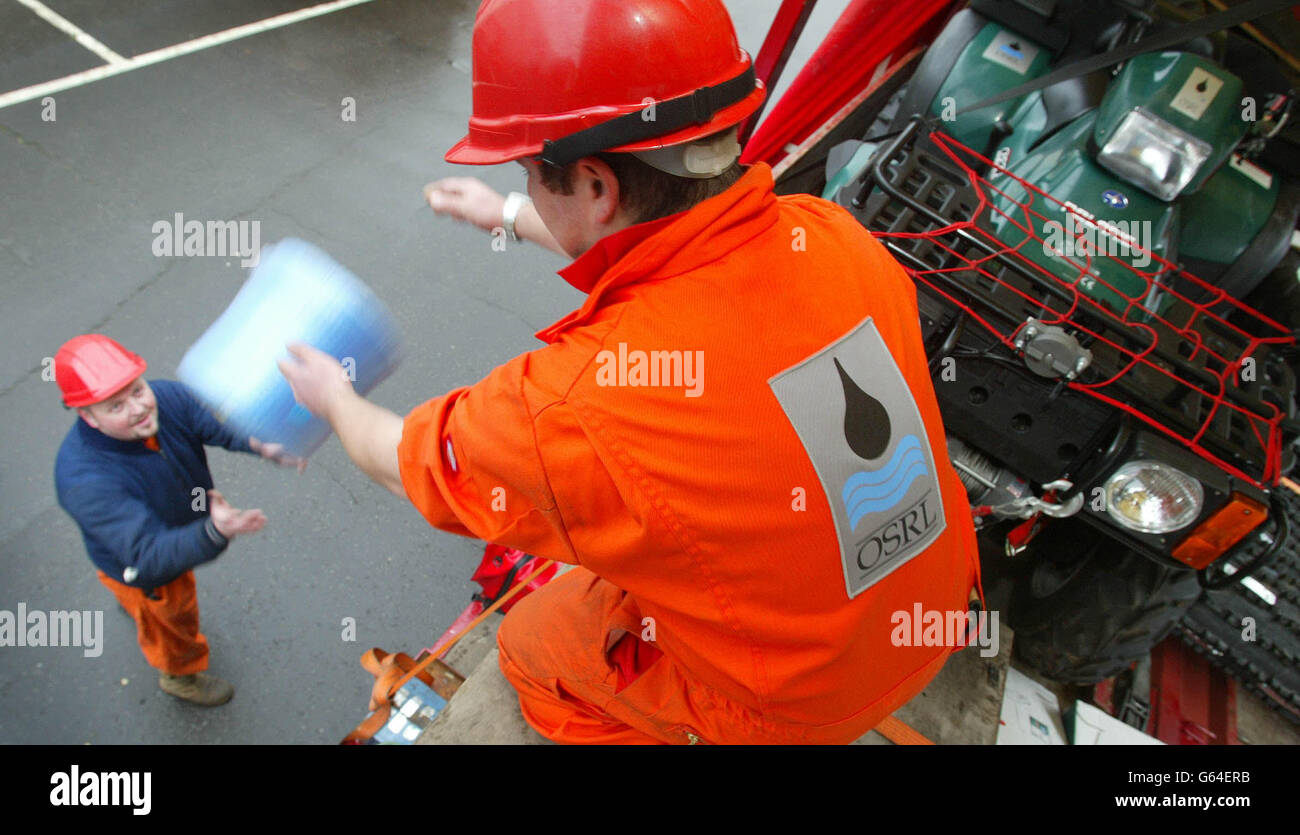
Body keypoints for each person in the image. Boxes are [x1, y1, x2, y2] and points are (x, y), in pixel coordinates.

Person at [280, 0, 980, 743]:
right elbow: (673, 248)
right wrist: (509, 212)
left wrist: (333, 397)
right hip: (927, 615)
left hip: (800, 703)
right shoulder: (833, 236)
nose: (529, 185)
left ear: (594, 185)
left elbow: (409, 463)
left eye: (529, 170)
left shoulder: (579, 407)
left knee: (535, 642)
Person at [53, 334, 301, 706]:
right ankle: (180, 675)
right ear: (87, 416)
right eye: (116, 405)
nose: (137, 408)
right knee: (175, 621)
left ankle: (135, 603)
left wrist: (259, 443)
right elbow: (146, 554)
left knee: (146, 603)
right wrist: (215, 531)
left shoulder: (165, 398)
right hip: (148, 568)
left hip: (165, 533)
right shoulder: (84, 480)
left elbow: (211, 424)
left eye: (136, 390)